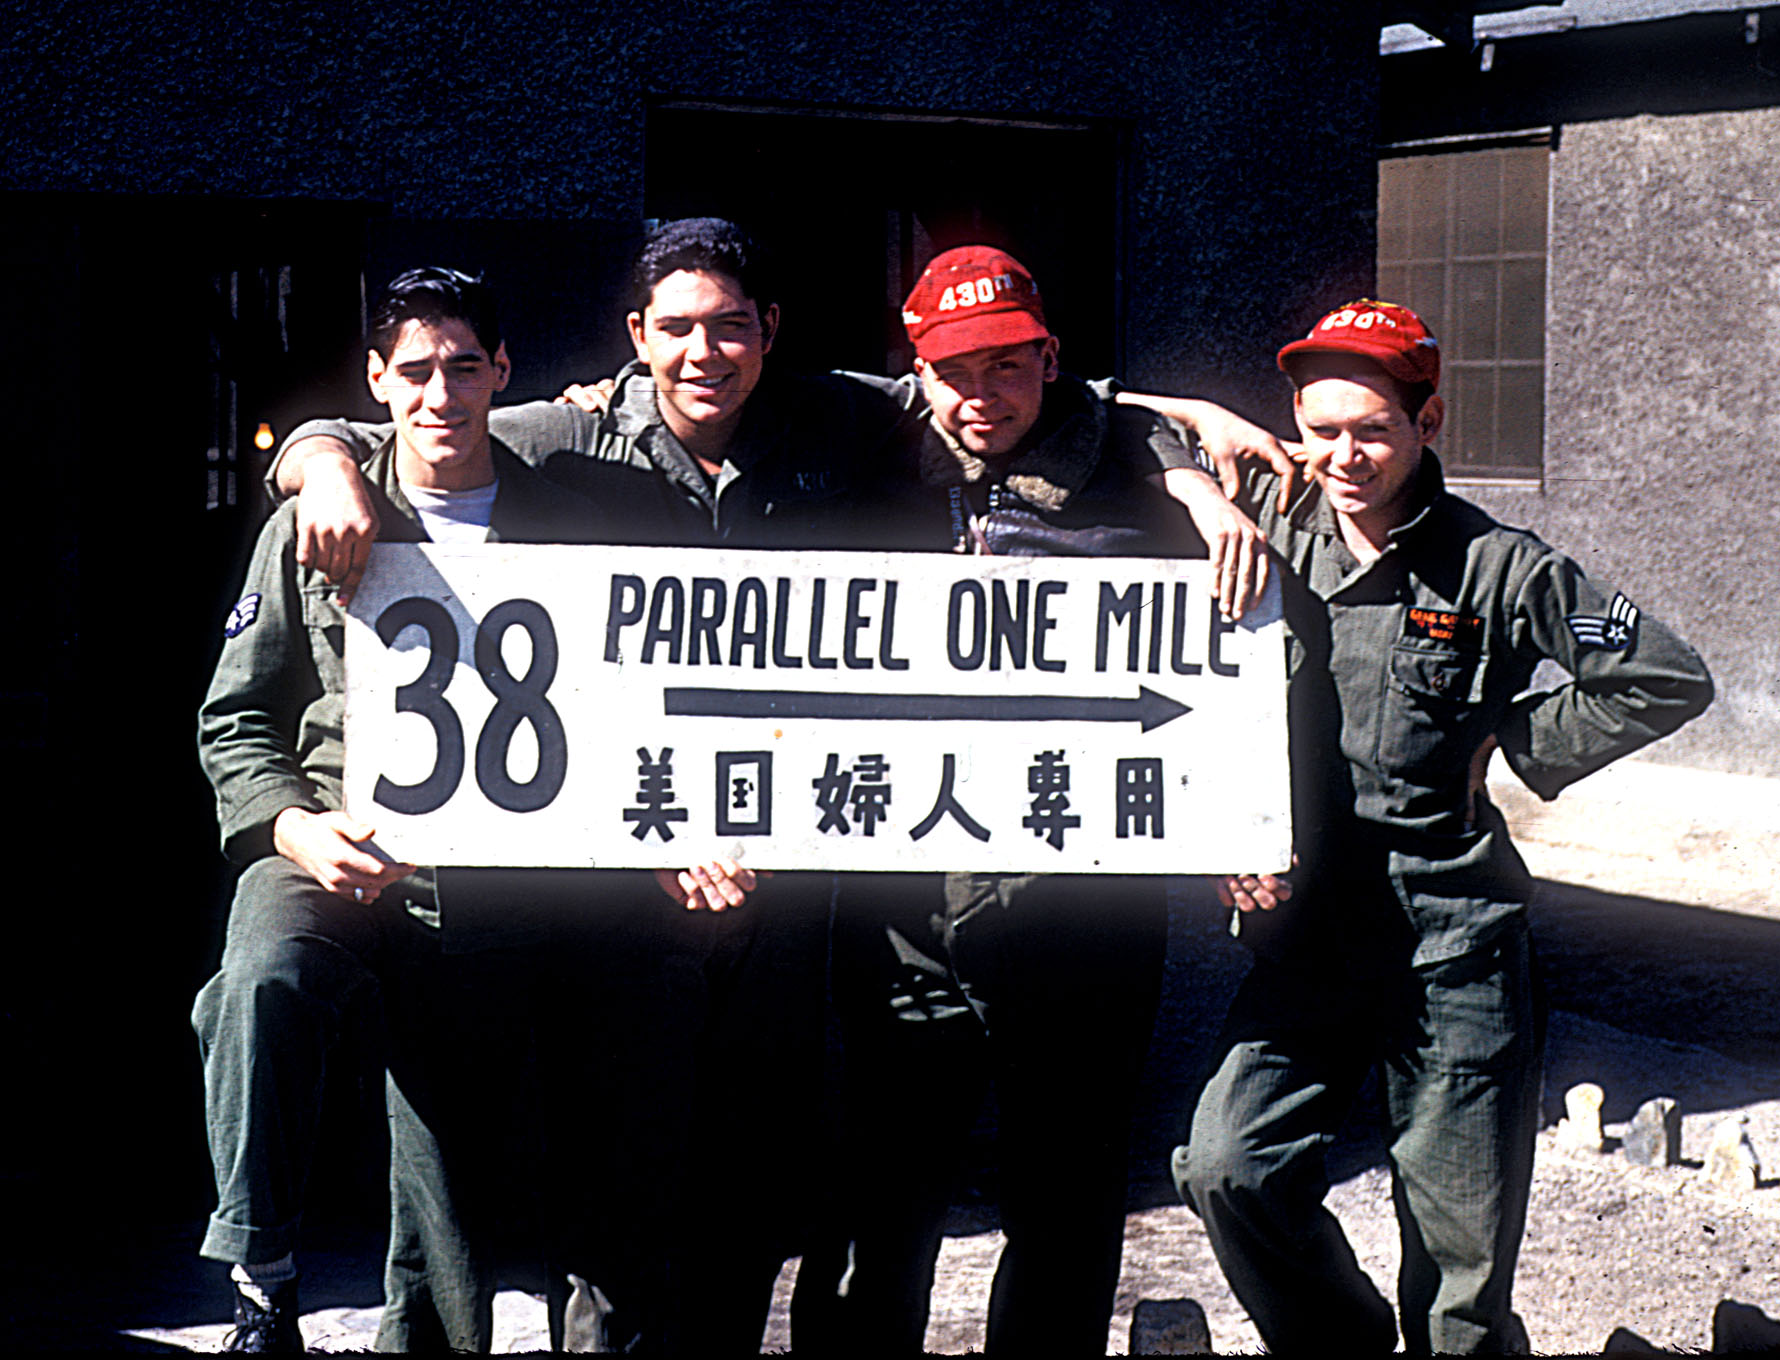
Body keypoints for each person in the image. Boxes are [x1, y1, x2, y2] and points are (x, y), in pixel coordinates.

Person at [268, 219, 1286, 1350]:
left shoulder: (841, 416)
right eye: (680, 329)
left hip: (801, 878)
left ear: (771, 334)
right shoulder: (575, 429)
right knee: (631, 1171)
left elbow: (1030, 395)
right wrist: (316, 457)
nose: (707, 352)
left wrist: (1185, 448)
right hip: (635, 880)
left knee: (779, 1164)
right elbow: (408, 420)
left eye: (733, 326)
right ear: (637, 340)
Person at [1166, 299, 1714, 1353]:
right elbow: (1108, 423)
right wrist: (1200, 466)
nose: (1345, 455)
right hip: (1310, 932)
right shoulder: (1267, 527)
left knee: (1459, 1272)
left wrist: (1515, 734)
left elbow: (1661, 672)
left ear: (1431, 421)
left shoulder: (1506, 568)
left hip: (1456, 942)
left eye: (1372, 428)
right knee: (1226, 1165)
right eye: (1320, 429)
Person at [805, 245, 1265, 1356]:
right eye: (954, 371)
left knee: (1064, 1197)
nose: (983, 395)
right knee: (884, 1195)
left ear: (1052, 358)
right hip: (905, 907)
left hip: (1080, 908)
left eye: (1010, 365)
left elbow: (1241, 670)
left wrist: (1244, 814)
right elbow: (715, 387)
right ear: (915, 372)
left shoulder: (1135, 477)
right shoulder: (870, 445)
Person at [193, 267, 634, 1351]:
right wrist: (296, 826)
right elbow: (233, 720)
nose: (443, 394)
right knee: (262, 978)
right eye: (418, 370)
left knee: (449, 1167)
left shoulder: (569, 525)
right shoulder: (321, 520)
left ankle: (425, 1333)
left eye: (466, 367)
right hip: (330, 840)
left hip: (492, 866)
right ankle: (263, 1275)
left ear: (503, 375)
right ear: (379, 382)